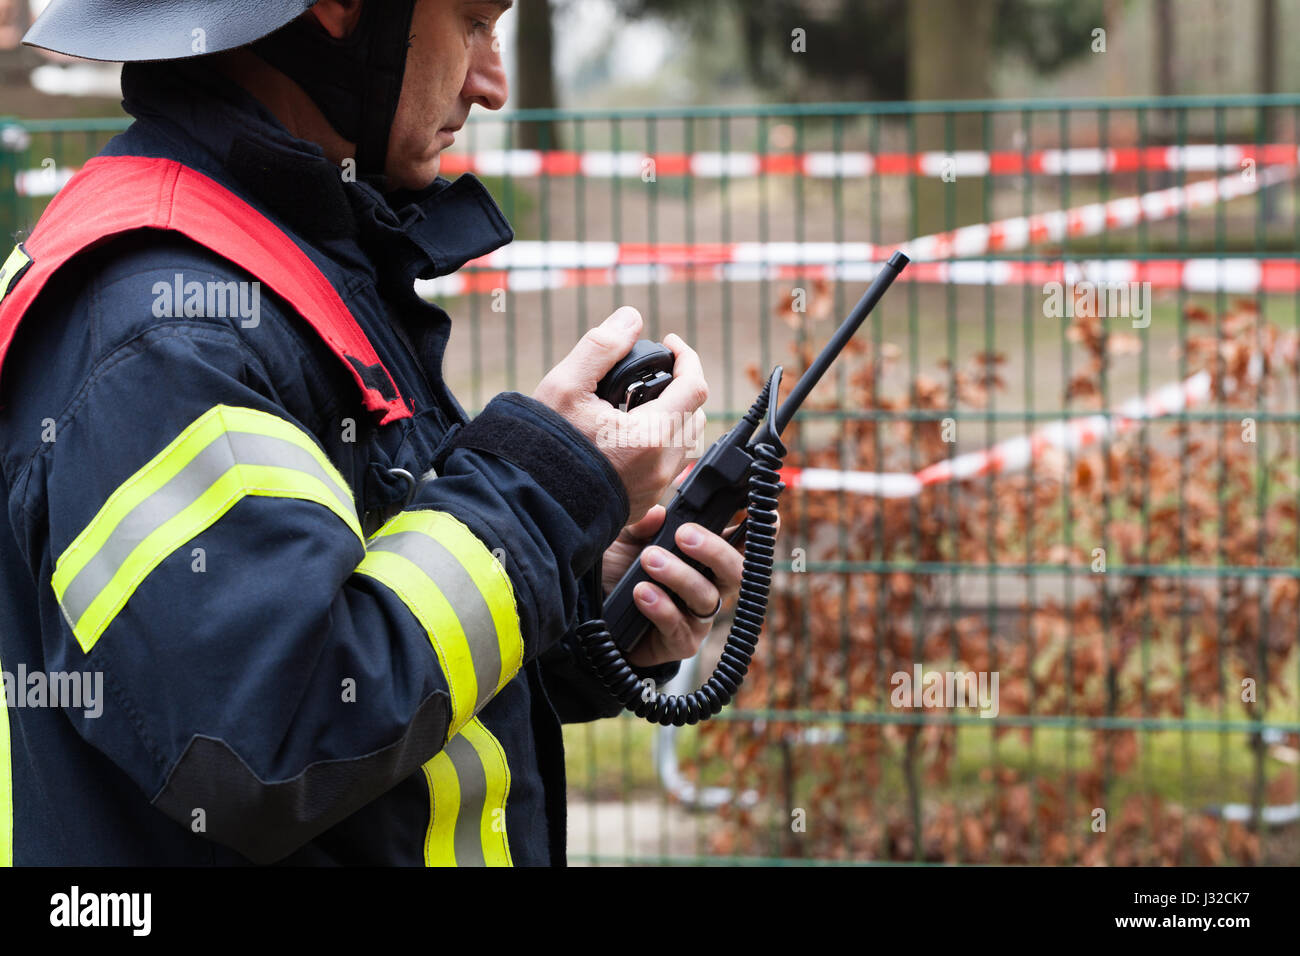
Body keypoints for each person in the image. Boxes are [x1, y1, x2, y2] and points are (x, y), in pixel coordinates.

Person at [0, 0, 746, 866]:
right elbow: (274, 737)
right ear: (337, 14)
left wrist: (585, 611)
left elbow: (363, 616)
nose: (492, 84)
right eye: (472, 21)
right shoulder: (162, 334)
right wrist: (543, 499)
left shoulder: (282, 261)